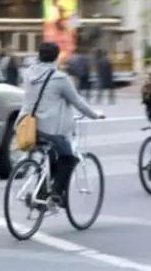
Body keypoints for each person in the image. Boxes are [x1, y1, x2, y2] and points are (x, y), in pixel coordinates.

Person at [16, 42, 103, 207]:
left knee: (53, 157)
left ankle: (41, 194)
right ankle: (56, 195)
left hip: (27, 126)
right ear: (57, 57)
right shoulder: (60, 78)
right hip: (49, 129)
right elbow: (77, 102)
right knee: (69, 158)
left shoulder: (29, 74)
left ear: (39, 55)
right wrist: (94, 115)